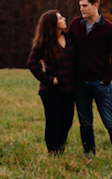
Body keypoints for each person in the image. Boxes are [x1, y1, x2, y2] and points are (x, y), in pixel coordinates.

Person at [69, 0, 112, 163]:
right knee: (85, 123)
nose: (81, 9)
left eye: (85, 6)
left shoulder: (109, 29)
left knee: (110, 121)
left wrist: (105, 80)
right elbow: (65, 47)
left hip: (100, 84)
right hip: (79, 83)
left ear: (95, 5)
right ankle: (89, 155)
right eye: (80, 6)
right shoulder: (75, 24)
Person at [27, 9, 75, 154]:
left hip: (69, 88)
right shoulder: (43, 43)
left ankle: (60, 150)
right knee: (54, 122)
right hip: (51, 90)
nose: (64, 19)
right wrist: (49, 79)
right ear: (53, 23)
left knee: (67, 122)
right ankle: (53, 153)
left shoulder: (70, 38)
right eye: (60, 18)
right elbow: (31, 63)